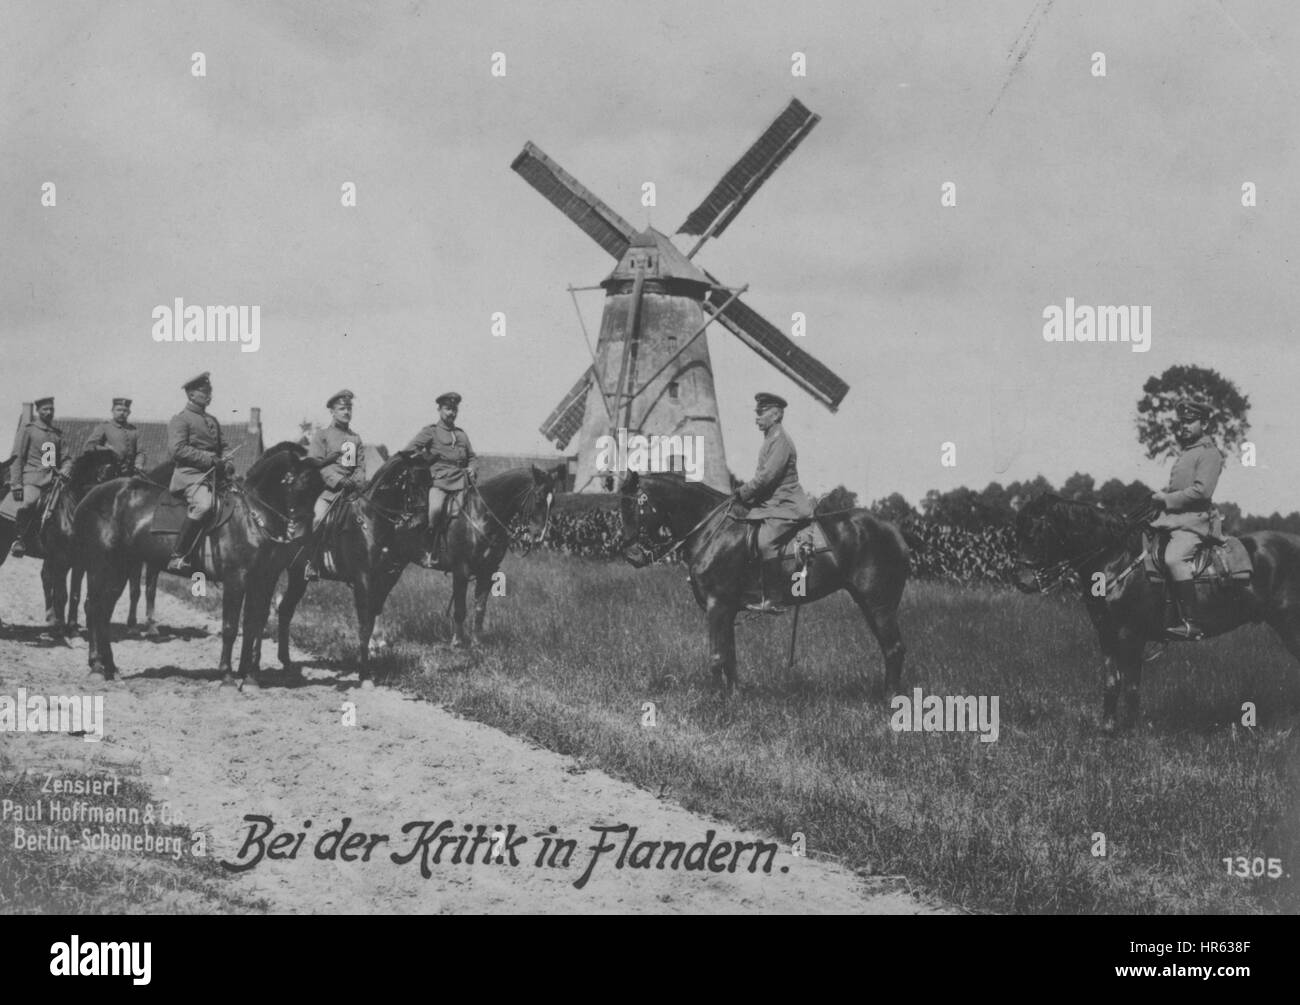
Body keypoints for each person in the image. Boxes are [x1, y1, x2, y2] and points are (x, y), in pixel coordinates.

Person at [733, 392, 815, 613]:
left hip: (786, 505)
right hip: (772, 504)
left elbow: (767, 477)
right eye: (757, 412)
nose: (757, 417)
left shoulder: (781, 441)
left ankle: (774, 598)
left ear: (776, 415)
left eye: (761, 412)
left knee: (766, 541)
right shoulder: (771, 438)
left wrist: (742, 492)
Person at [1149, 398, 1224, 640]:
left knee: (1174, 558)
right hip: (1174, 519)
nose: (1184, 426)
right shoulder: (1189, 453)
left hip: (1194, 522)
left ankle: (1192, 623)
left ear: (1204, 424)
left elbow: (1202, 492)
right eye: (1183, 422)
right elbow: (1181, 486)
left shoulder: (1210, 454)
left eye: (1190, 422)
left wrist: (1166, 499)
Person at [165, 373, 232, 573]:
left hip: (216, 476)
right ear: (191, 394)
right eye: (204, 392)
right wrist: (210, 460)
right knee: (204, 505)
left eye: (209, 391)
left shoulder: (212, 420)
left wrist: (227, 462)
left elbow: (225, 447)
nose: (209, 395)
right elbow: (177, 450)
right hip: (190, 475)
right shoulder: (180, 419)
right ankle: (178, 555)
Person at [402, 391, 476, 566]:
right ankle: (428, 550)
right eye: (448, 409)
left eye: (454, 409)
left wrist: (472, 467)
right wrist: (426, 463)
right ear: (439, 410)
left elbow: (472, 456)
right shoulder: (431, 432)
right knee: (434, 511)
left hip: (463, 483)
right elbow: (409, 450)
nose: (451, 413)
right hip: (440, 483)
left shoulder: (461, 435)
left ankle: (467, 553)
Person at [304, 389, 365, 581]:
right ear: (332, 411)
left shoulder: (355, 438)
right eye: (342, 408)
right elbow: (318, 465)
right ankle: (312, 564)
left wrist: (355, 481)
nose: (346, 412)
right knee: (318, 519)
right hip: (329, 492)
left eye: (349, 408)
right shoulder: (322, 435)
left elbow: (361, 466)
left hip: (352, 494)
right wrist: (338, 481)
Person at [3, 396, 74, 557]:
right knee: (27, 503)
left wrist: (66, 469)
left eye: (51, 409)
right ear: (38, 411)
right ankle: (19, 540)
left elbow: (67, 458)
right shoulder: (28, 430)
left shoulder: (57, 434)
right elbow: (17, 458)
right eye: (45, 409)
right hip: (33, 479)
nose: (49, 412)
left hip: (54, 481)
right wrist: (17, 485)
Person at [82, 397, 146, 475]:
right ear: (112, 411)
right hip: (109, 473)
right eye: (118, 410)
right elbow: (88, 447)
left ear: (129, 412)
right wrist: (107, 450)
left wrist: (139, 464)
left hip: (130, 472)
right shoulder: (104, 427)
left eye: (125, 410)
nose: (122, 413)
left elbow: (141, 452)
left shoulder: (134, 431)